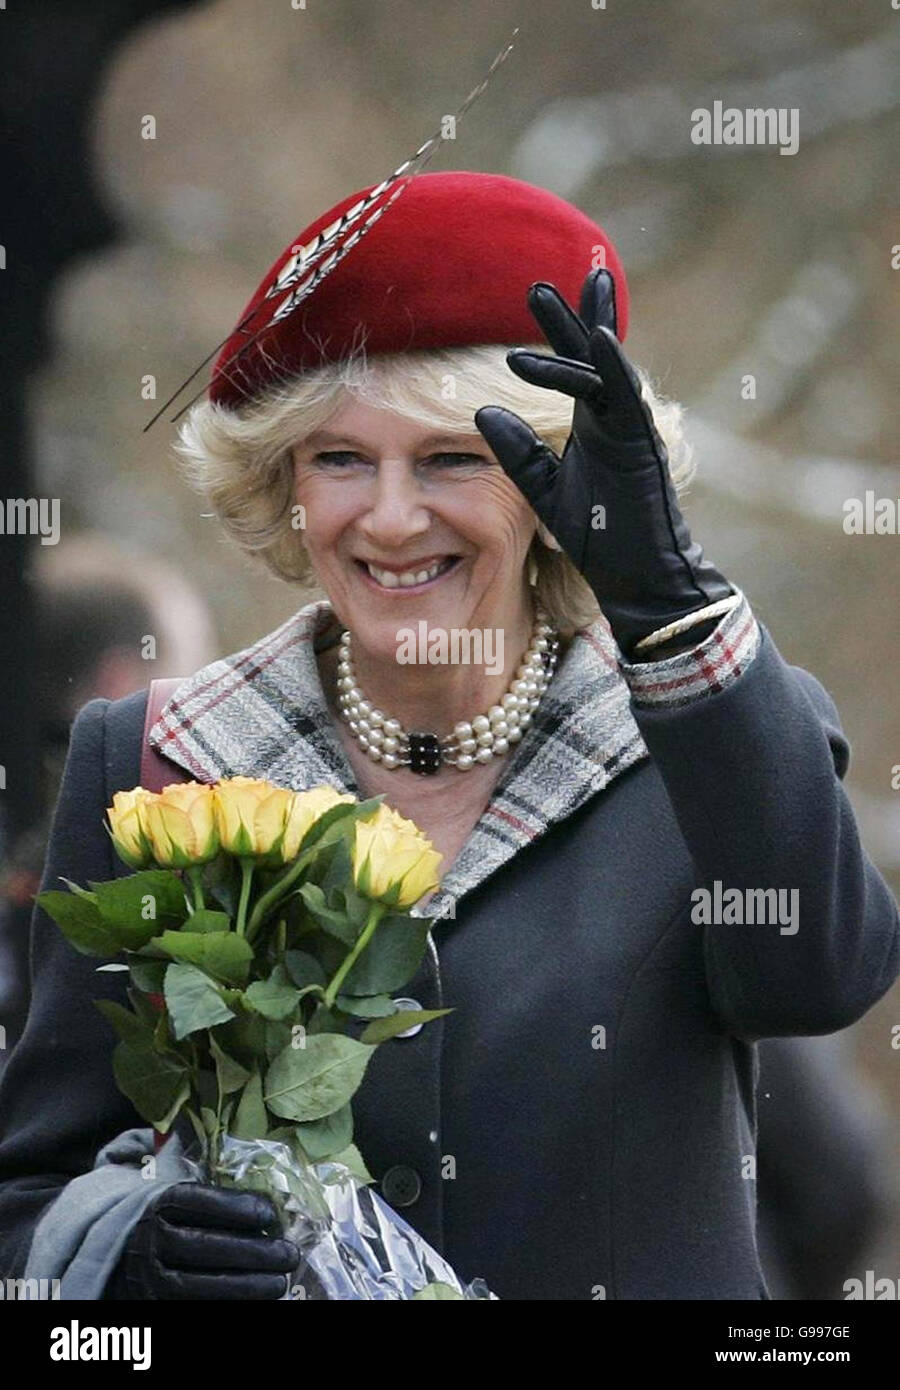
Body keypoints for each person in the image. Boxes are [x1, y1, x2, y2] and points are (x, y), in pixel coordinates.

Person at [0, 171, 897, 1301]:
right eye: (338, 459)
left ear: (555, 487)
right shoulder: (152, 758)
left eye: (453, 458)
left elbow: (822, 977)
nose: (387, 516)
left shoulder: (702, 734)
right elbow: (26, 1201)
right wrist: (124, 1265)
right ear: (281, 483)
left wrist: (666, 600)